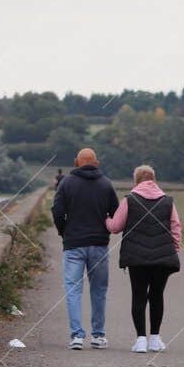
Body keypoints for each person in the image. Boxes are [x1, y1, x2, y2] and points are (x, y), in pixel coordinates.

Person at [106, 165, 182, 353]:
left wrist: (105, 219)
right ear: (154, 179)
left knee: (138, 296)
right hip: (162, 258)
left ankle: (140, 340)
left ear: (136, 180)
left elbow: (115, 226)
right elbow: (176, 227)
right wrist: (174, 248)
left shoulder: (129, 200)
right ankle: (155, 339)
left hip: (136, 258)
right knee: (157, 295)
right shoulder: (167, 201)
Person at [51, 148, 118, 350]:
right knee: (99, 291)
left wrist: (64, 232)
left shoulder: (66, 183)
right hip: (99, 244)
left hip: (73, 244)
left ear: (76, 162)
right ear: (96, 163)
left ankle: (77, 336)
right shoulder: (106, 184)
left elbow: (57, 210)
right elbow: (115, 213)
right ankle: (98, 335)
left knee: (73, 290)